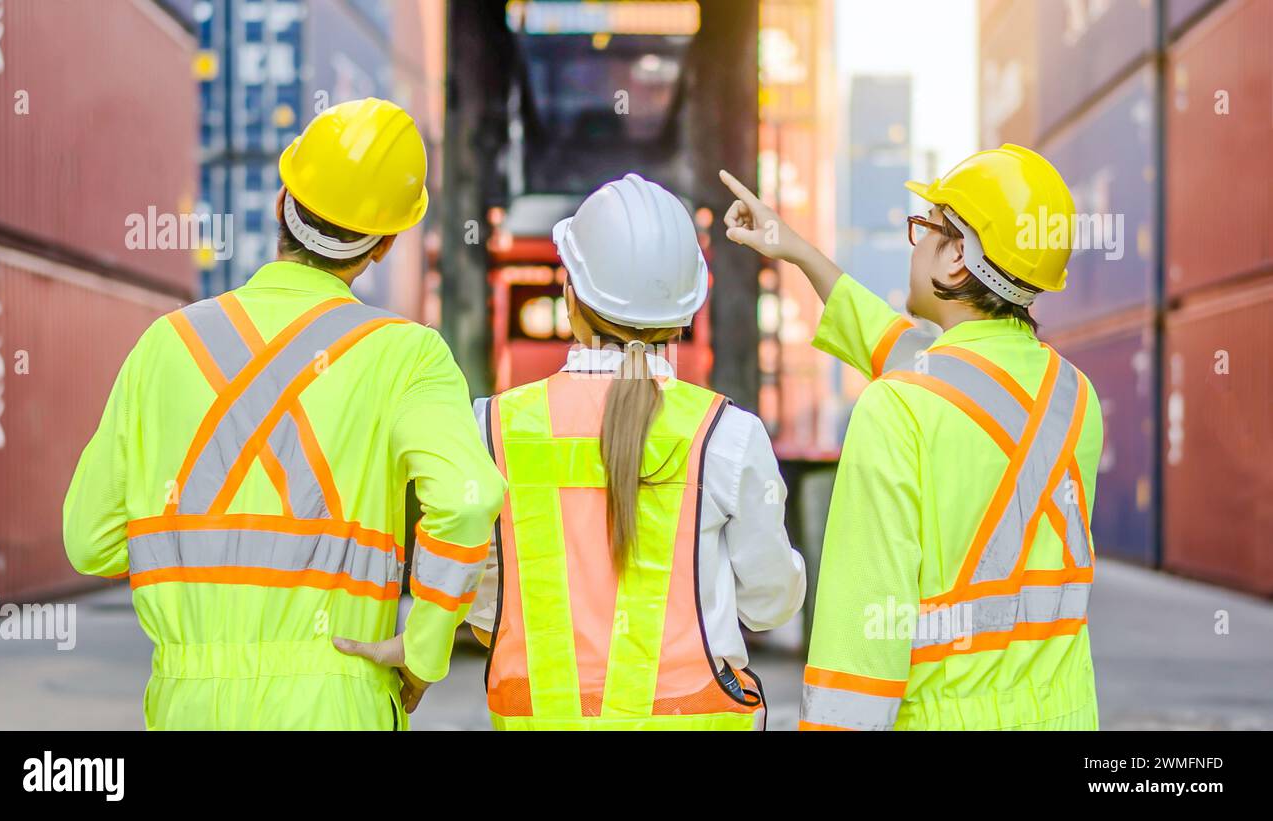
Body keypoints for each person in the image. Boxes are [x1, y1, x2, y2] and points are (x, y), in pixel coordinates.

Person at [62, 98, 506, 730]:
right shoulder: (407, 356)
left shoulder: (166, 344)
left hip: (188, 706)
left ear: (281, 204)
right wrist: (422, 648)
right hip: (337, 704)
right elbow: (467, 500)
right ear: (382, 247)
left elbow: (89, 541)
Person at [721, 144, 1103, 730]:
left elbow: (859, 654)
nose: (916, 241)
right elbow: (932, 364)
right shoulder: (1074, 398)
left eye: (925, 227)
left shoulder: (897, 410)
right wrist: (796, 251)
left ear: (955, 257)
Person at [468, 173, 805, 729]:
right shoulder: (726, 433)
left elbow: (485, 604)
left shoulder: (494, 427)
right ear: (684, 314)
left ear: (570, 298)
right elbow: (769, 602)